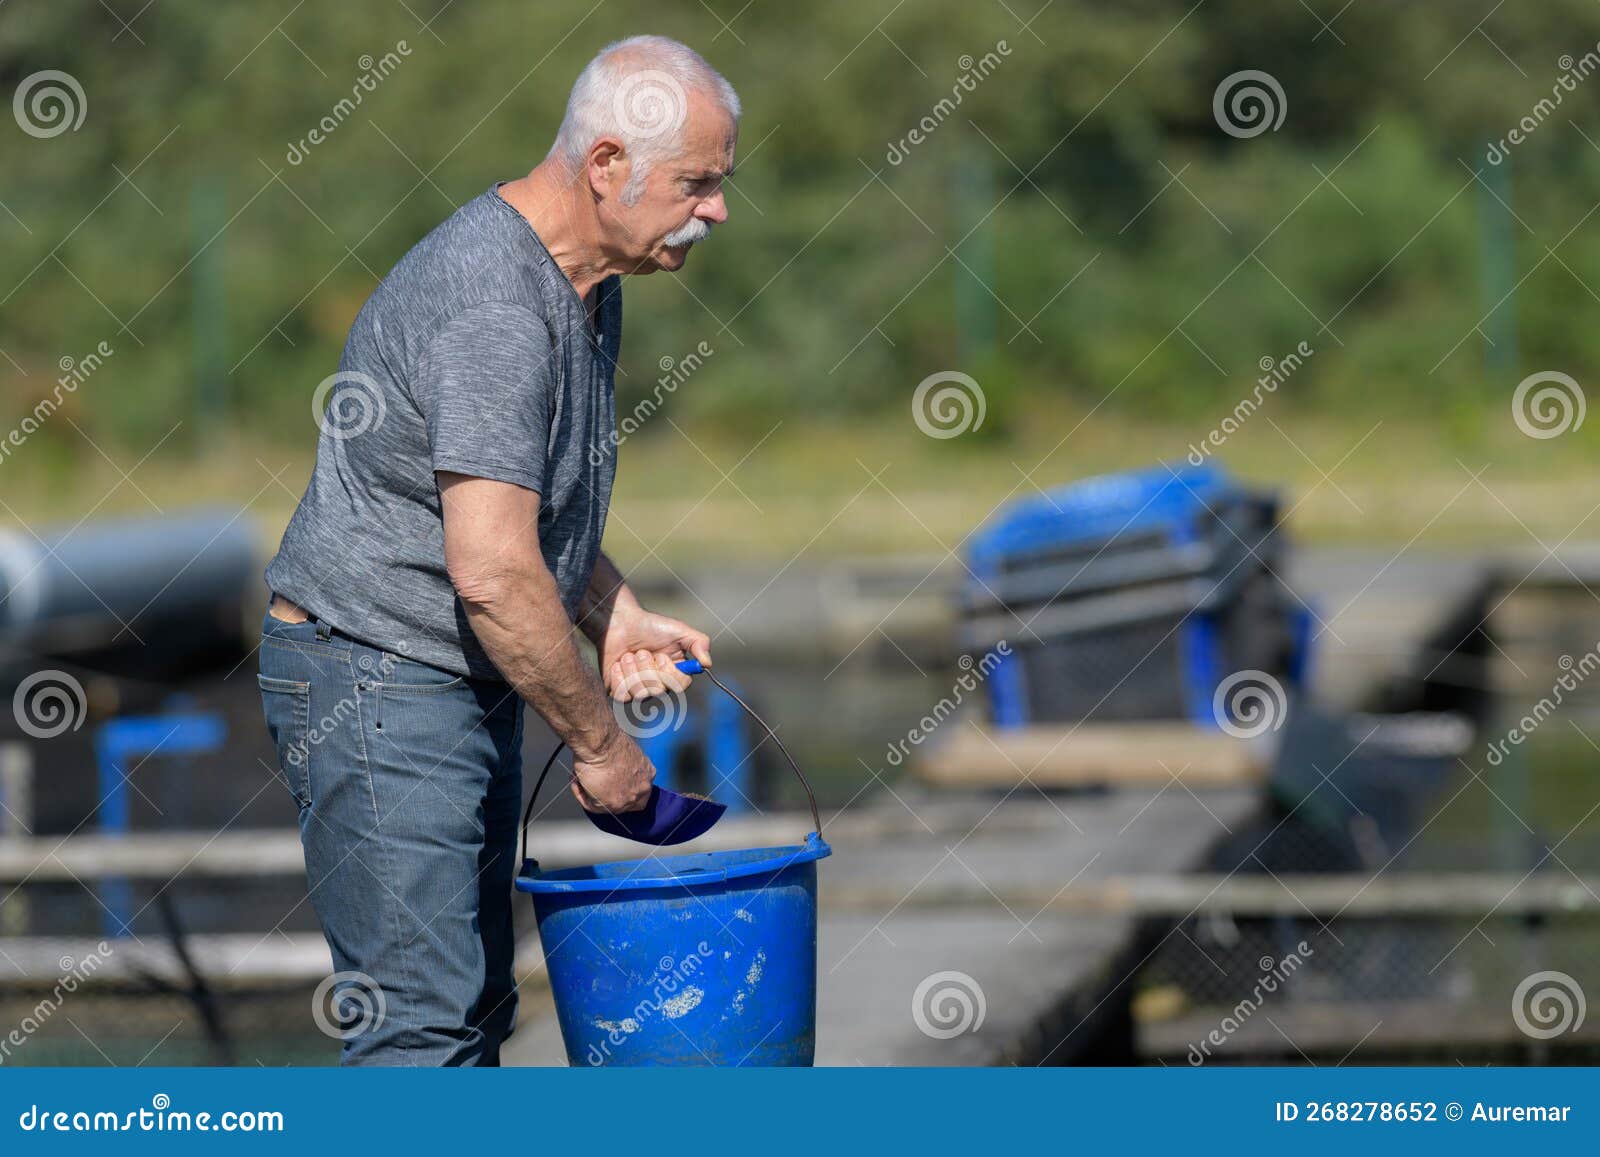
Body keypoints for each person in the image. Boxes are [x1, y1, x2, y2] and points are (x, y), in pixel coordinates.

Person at [256, 34, 737, 1065]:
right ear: (607, 166)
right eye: (698, 184)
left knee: (475, 1010)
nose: (718, 210)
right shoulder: (496, 305)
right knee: (420, 1027)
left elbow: (520, 510)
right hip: (374, 672)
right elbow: (491, 568)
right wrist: (605, 747)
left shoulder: (583, 281)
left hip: (438, 669)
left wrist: (613, 612)